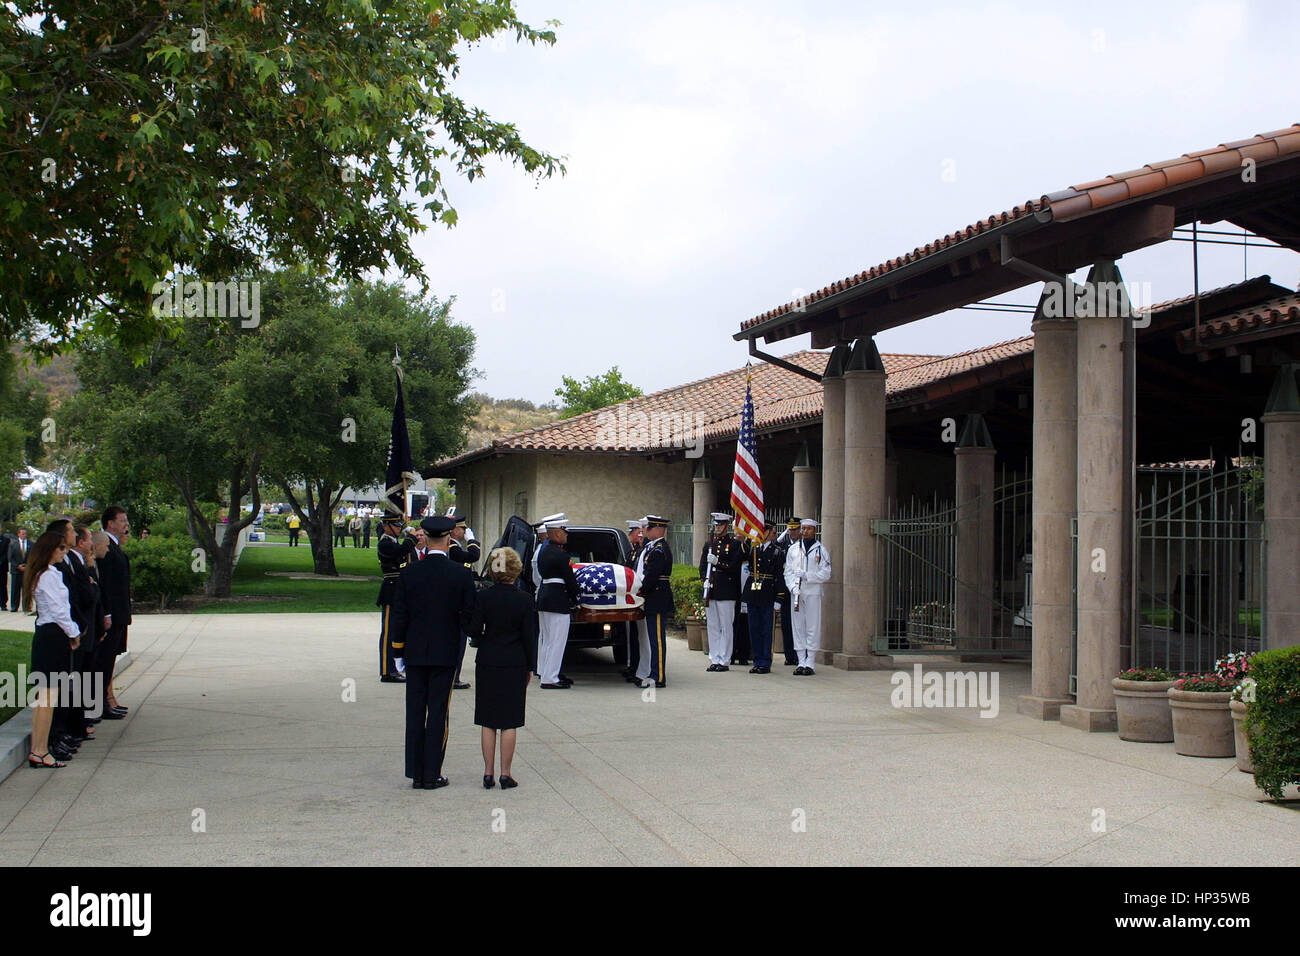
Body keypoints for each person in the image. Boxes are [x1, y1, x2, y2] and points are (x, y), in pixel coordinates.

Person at [389, 515, 475, 789]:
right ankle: (432, 773)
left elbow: (399, 615)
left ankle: (416, 773)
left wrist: (397, 651)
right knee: (438, 711)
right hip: (445, 652)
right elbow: (469, 616)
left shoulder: (409, 572)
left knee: (415, 711)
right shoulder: (460, 574)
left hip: (414, 652)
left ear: (425, 539)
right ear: (449, 540)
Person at [465, 547, 536, 789]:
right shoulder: (525, 599)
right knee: (509, 721)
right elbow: (529, 637)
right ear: (515, 569)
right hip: (514, 661)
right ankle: (506, 773)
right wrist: (530, 666)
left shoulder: (483, 597)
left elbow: (474, 630)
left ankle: (488, 773)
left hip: (488, 660)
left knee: (488, 720)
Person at [22, 531, 81, 768]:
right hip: (53, 636)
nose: (64, 552)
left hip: (50, 635)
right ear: (50, 550)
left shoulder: (46, 574)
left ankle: (39, 749)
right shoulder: (47, 576)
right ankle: (40, 750)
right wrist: (74, 633)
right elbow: (59, 611)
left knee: (45, 697)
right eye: (61, 548)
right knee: (48, 697)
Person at [95, 506, 132, 715]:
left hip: (119, 612)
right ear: (110, 523)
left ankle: (107, 700)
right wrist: (107, 612)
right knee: (104, 660)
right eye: (122, 520)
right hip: (112, 613)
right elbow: (106, 584)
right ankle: (100, 704)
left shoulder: (115, 545)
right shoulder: (105, 547)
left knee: (109, 659)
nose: (126, 524)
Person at [784, 518, 832, 675]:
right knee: (798, 626)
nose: (805, 531)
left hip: (812, 591)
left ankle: (810, 662)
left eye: (808, 529)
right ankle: (800, 661)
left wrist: (808, 576)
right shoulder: (793, 549)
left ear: (814, 531)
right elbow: (788, 572)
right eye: (803, 528)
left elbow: (826, 573)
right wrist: (792, 587)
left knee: (812, 625)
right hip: (797, 593)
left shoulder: (821, 550)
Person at [535, 516, 579, 689]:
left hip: (545, 597)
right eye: (564, 532)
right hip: (558, 599)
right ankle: (550, 678)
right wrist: (577, 598)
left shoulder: (543, 552)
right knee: (557, 640)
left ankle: (545, 671)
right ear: (558, 534)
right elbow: (570, 579)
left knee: (546, 639)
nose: (567, 535)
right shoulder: (561, 555)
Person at [633, 515, 674, 688]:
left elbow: (651, 575)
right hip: (654, 597)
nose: (646, 531)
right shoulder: (653, 548)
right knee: (653, 639)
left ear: (658, 529)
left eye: (649, 528)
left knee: (657, 640)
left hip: (657, 598)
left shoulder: (659, 550)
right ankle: (654, 673)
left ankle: (658, 677)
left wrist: (641, 591)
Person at [699, 513, 743, 672]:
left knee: (726, 626)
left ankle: (724, 659)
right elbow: (703, 566)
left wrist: (718, 563)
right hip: (712, 589)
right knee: (712, 625)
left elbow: (734, 567)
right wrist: (704, 579)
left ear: (727, 526)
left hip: (727, 590)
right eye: (716, 525)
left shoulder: (734, 544)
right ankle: (714, 657)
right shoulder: (709, 544)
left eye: (720, 525)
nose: (717, 527)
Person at [376, 515, 418, 682]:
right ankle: (387, 671)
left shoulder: (394, 542)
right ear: (386, 526)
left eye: (400, 525)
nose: (399, 528)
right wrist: (411, 537)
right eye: (395, 525)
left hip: (400, 590)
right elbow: (401, 551)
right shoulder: (385, 543)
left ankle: (397, 667)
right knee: (389, 632)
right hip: (391, 591)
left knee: (399, 630)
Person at [744, 521, 784, 674]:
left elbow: (780, 576)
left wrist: (779, 598)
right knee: (754, 628)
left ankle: (765, 661)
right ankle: (757, 659)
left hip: (768, 593)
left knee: (766, 629)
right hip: (753, 593)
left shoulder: (777, 552)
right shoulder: (753, 548)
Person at [447, 514, 481, 690]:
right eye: (463, 529)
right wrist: (472, 541)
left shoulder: (454, 546)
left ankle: (454, 676)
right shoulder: (453, 547)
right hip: (457, 604)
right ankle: (453, 677)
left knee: (459, 642)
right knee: (457, 642)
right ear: (454, 531)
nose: (465, 532)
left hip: (456, 601)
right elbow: (473, 556)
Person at [621, 518, 645, 682]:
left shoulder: (642, 551)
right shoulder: (634, 551)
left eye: (632, 532)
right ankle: (632, 665)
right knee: (632, 634)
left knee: (639, 635)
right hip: (631, 596)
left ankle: (637, 666)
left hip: (637, 596)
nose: (630, 535)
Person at [776, 519, 799, 665]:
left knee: (799, 624)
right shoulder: (783, 545)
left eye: (795, 529)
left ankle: (799, 654)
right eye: (790, 529)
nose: (792, 532)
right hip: (785, 588)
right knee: (786, 623)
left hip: (799, 588)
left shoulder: (802, 545)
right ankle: (789, 655)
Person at [9, 527, 29, 611]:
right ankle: (14, 606)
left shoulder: (31, 544)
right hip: (16, 570)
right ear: (18, 534)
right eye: (22, 533)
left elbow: (32, 556)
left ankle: (26, 607)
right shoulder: (13, 544)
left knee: (26, 590)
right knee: (15, 589)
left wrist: (27, 566)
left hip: (27, 570)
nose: (24, 535)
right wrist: (18, 566)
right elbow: (10, 557)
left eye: (25, 533)